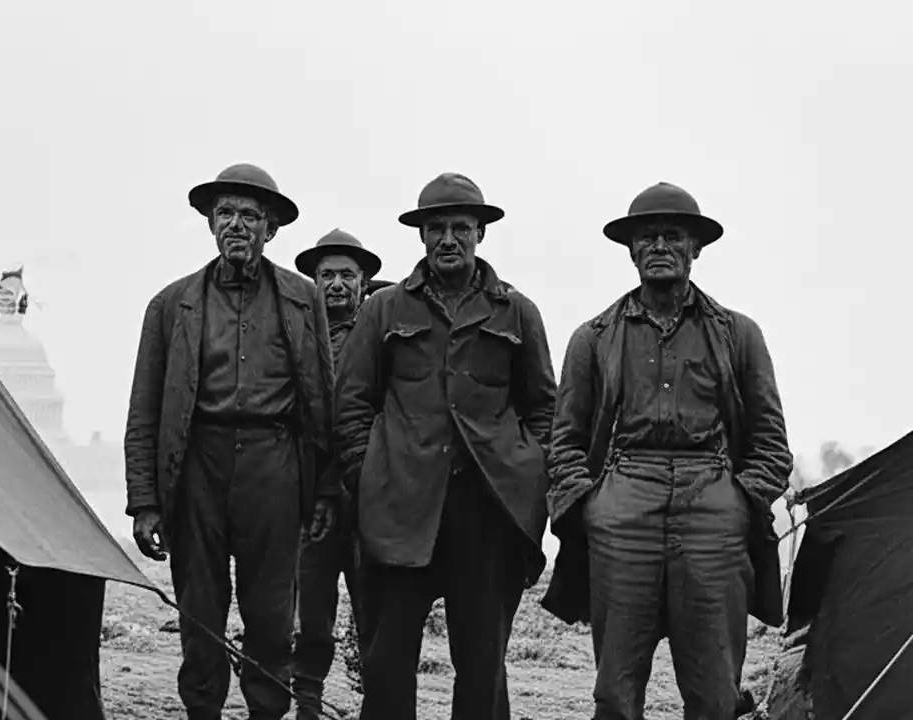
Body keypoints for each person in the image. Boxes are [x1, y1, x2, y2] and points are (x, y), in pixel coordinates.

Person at [541, 182, 793, 720]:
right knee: (615, 692)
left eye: (673, 236)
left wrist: (741, 501)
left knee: (715, 693)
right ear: (630, 251)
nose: (659, 246)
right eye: (647, 237)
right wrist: (591, 508)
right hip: (621, 505)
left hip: (713, 506)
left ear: (695, 248)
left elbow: (772, 442)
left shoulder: (739, 335)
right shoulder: (593, 338)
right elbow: (563, 442)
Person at [334, 172, 556, 719]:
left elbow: (546, 409)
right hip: (399, 506)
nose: (449, 239)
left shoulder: (516, 311)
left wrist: (529, 474)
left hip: (488, 509)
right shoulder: (383, 309)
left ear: (481, 233)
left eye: (461, 227)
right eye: (437, 228)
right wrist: (366, 475)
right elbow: (352, 403)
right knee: (387, 663)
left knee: (482, 666)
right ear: (422, 235)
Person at [123, 163, 338, 720]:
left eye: (249, 215)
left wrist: (325, 492)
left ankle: (268, 711)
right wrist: (145, 501)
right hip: (198, 468)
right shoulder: (170, 305)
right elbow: (145, 407)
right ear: (210, 224)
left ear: (271, 229)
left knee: (270, 617)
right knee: (200, 614)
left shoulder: (302, 298)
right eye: (225, 213)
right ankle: (203, 711)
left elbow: (323, 399)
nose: (236, 224)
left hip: (275, 469)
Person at [290, 228, 383, 719]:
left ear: (364, 281)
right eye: (326, 275)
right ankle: (306, 702)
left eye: (348, 275)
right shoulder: (295, 338)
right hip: (311, 504)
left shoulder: (381, 338)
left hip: (368, 499)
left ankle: (377, 701)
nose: (337, 284)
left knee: (375, 612)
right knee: (313, 618)